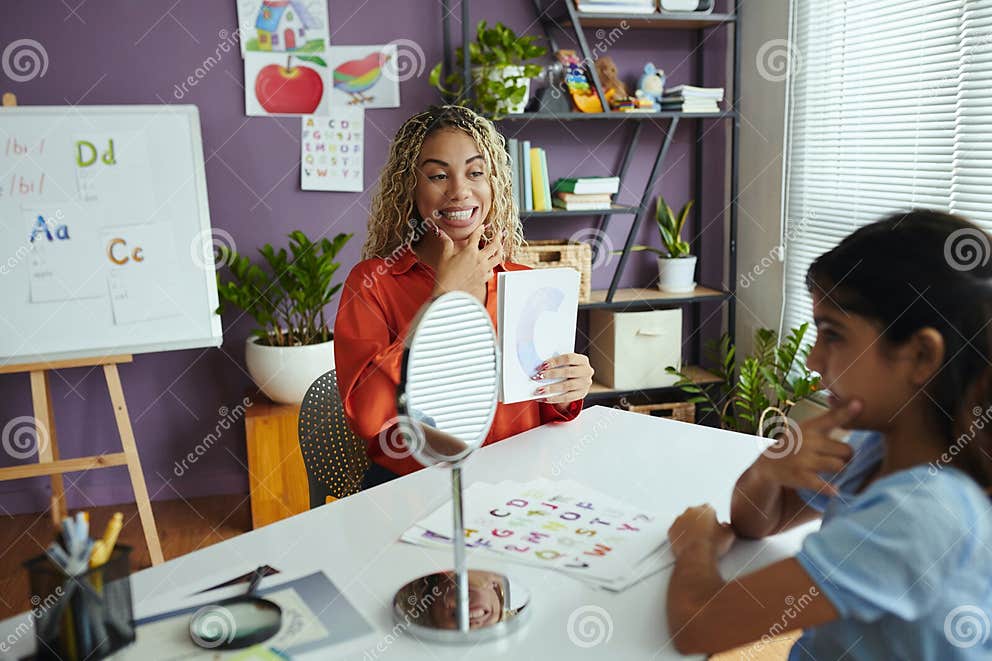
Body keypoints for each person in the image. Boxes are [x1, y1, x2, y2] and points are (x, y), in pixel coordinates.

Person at [665, 210, 992, 658]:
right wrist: (768, 471)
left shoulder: (925, 514)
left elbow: (697, 624)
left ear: (920, 355)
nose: (814, 360)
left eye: (832, 334)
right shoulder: (874, 448)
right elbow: (757, 522)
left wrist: (696, 545)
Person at [334, 105, 593, 486]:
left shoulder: (524, 284)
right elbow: (367, 418)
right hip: (412, 492)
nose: (459, 190)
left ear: (494, 186)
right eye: (438, 175)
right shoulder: (373, 283)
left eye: (475, 172)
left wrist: (567, 392)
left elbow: (543, 410)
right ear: (411, 188)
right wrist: (443, 298)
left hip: (510, 489)